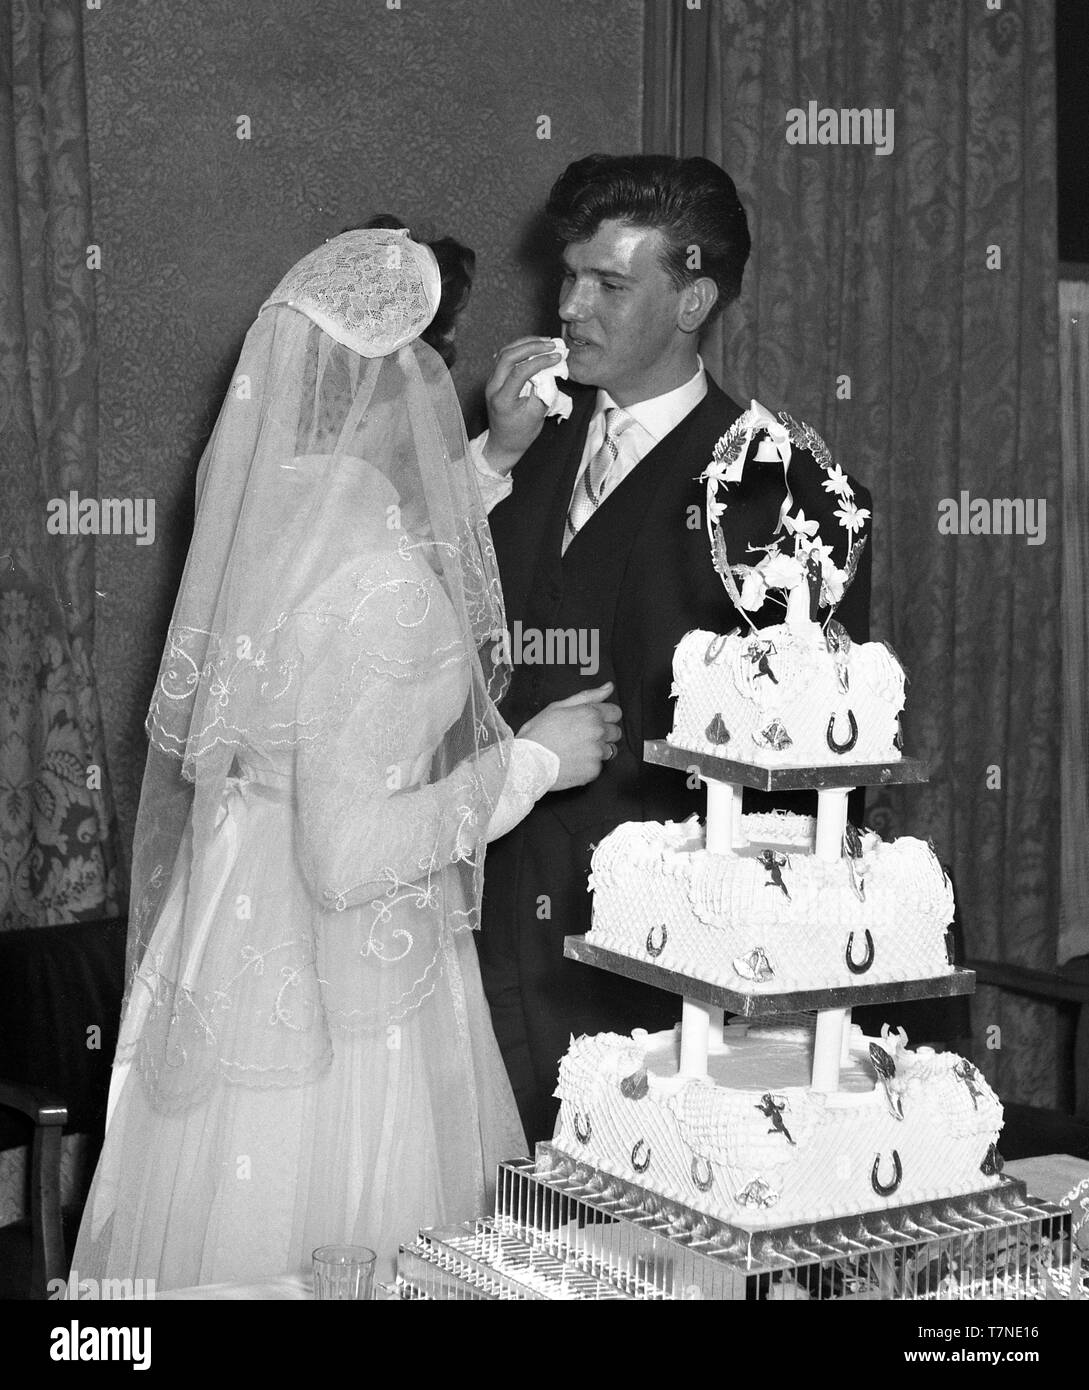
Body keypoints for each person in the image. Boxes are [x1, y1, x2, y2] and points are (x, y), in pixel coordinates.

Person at [68, 227, 620, 1292]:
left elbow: (401, 537)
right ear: (403, 374)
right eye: (436, 359)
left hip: (232, 927)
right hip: (345, 968)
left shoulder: (276, 520)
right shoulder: (384, 585)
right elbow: (351, 853)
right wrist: (534, 763)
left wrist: (494, 461)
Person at [475, 154, 873, 1145]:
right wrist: (490, 456)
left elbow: (807, 767)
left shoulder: (777, 485)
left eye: (609, 283)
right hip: (471, 942)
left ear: (694, 296)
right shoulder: (523, 442)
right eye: (569, 276)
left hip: (638, 981)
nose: (569, 307)